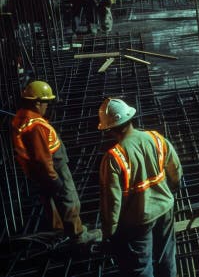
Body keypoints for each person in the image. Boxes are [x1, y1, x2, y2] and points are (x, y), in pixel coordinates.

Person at [98, 97, 182, 277]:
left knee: (141, 266)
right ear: (130, 119)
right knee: (166, 257)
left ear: (110, 128)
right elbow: (174, 168)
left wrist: (109, 233)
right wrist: (172, 188)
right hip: (165, 208)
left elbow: (112, 202)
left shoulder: (114, 157)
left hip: (138, 219)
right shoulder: (155, 138)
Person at [10, 81, 101, 244]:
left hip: (36, 171)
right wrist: (54, 178)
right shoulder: (36, 126)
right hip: (53, 168)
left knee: (51, 202)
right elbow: (42, 157)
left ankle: (61, 231)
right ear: (37, 102)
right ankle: (78, 235)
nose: (47, 105)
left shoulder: (22, 117)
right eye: (46, 102)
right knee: (69, 199)